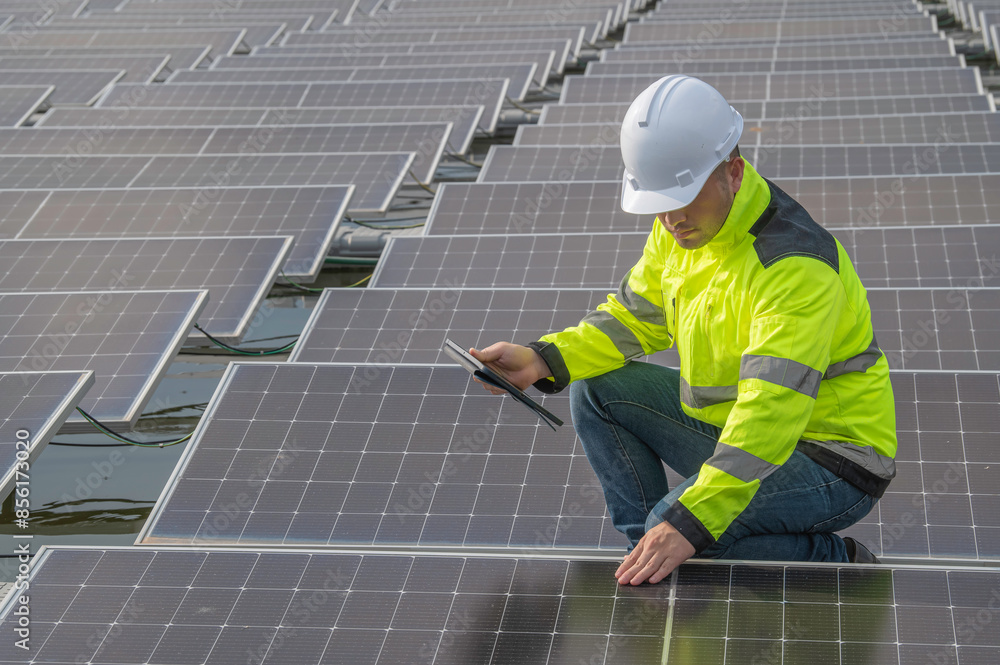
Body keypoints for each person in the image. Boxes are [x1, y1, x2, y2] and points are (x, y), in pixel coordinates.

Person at [471, 75, 897, 585]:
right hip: (733, 430)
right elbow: (636, 314)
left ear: (733, 173)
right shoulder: (681, 224)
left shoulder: (793, 267)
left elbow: (770, 414)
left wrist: (690, 523)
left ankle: (831, 559)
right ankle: (649, 551)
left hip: (828, 459)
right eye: (660, 203)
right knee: (598, 388)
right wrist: (543, 358)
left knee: (689, 532)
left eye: (684, 197)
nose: (671, 219)